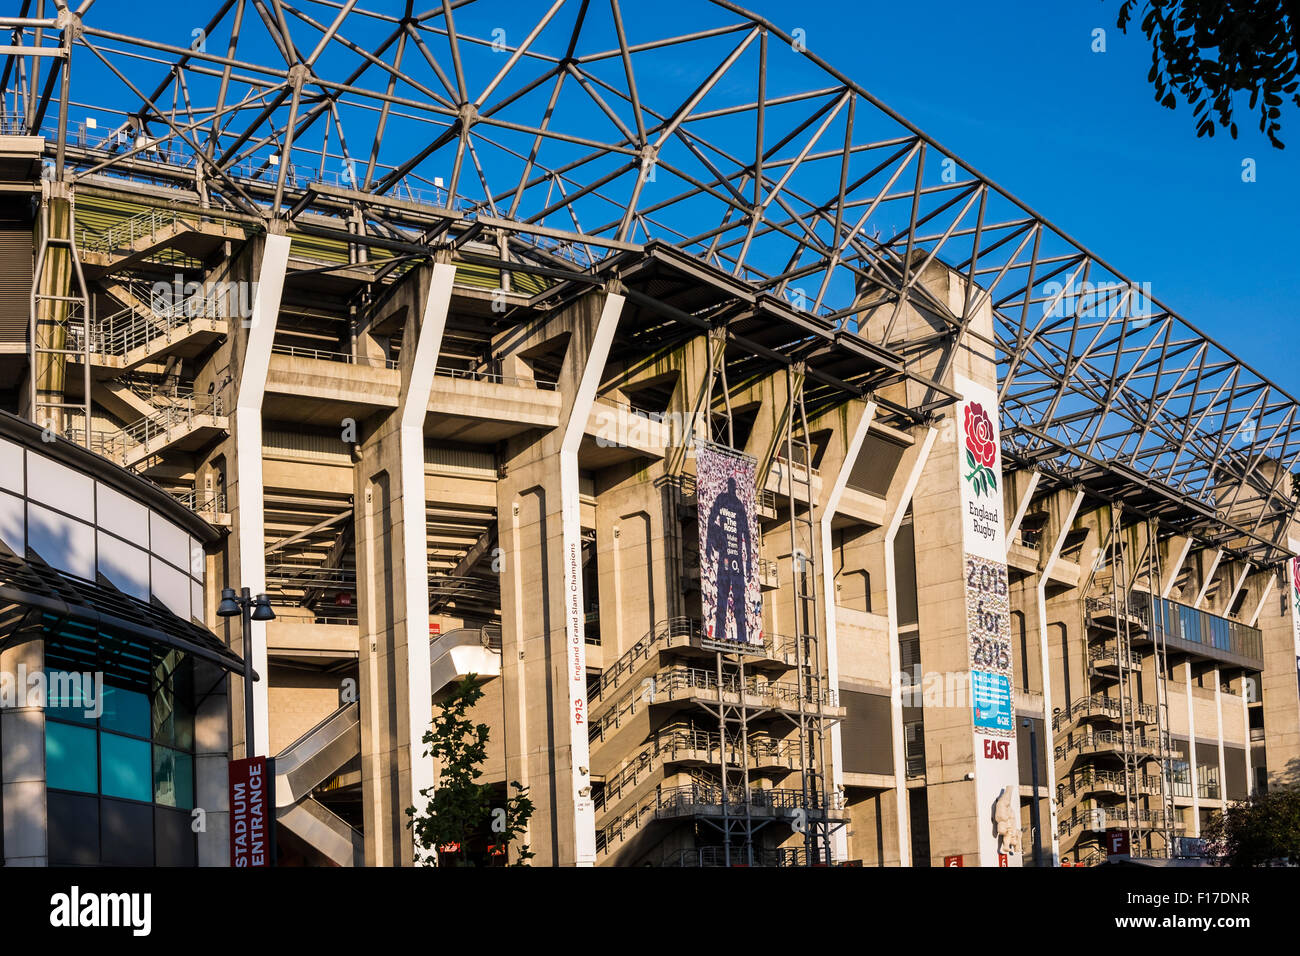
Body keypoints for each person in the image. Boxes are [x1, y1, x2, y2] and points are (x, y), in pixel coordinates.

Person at [705, 475, 752, 644]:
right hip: (727, 555)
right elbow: (711, 519)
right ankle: (720, 633)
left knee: (738, 599)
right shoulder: (723, 499)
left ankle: (741, 636)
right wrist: (709, 546)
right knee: (722, 596)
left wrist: (749, 564)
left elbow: (747, 533)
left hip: (736, 557)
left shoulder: (738, 505)